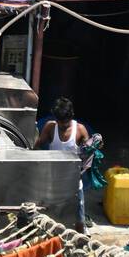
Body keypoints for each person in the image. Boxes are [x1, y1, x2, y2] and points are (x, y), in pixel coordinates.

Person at [35, 96, 90, 229]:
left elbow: (88, 155)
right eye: (59, 121)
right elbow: (36, 147)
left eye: (65, 122)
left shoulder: (80, 130)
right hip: (52, 181)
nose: (62, 125)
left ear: (71, 116)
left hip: (74, 183)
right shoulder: (50, 127)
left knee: (78, 221)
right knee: (50, 219)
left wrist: (92, 148)